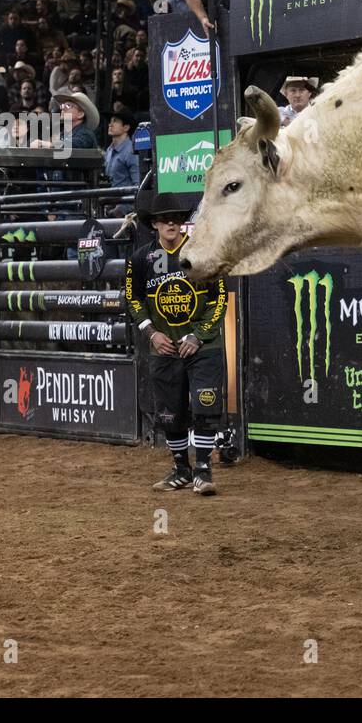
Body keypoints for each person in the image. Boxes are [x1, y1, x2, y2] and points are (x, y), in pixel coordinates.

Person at [125, 194, 228, 496]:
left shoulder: (203, 252)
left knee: (205, 404)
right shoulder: (141, 259)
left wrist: (199, 335)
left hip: (202, 346)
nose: (171, 223)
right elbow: (133, 298)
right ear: (154, 224)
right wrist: (151, 333)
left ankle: (204, 470)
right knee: (170, 411)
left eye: (176, 218)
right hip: (164, 347)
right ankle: (181, 468)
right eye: (164, 218)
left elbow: (219, 298)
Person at [103, 108, 140, 211]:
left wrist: (123, 208)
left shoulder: (131, 151)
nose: (110, 124)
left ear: (126, 127)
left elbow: (138, 185)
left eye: (115, 121)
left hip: (125, 210)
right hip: (109, 207)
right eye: (110, 121)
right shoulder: (109, 150)